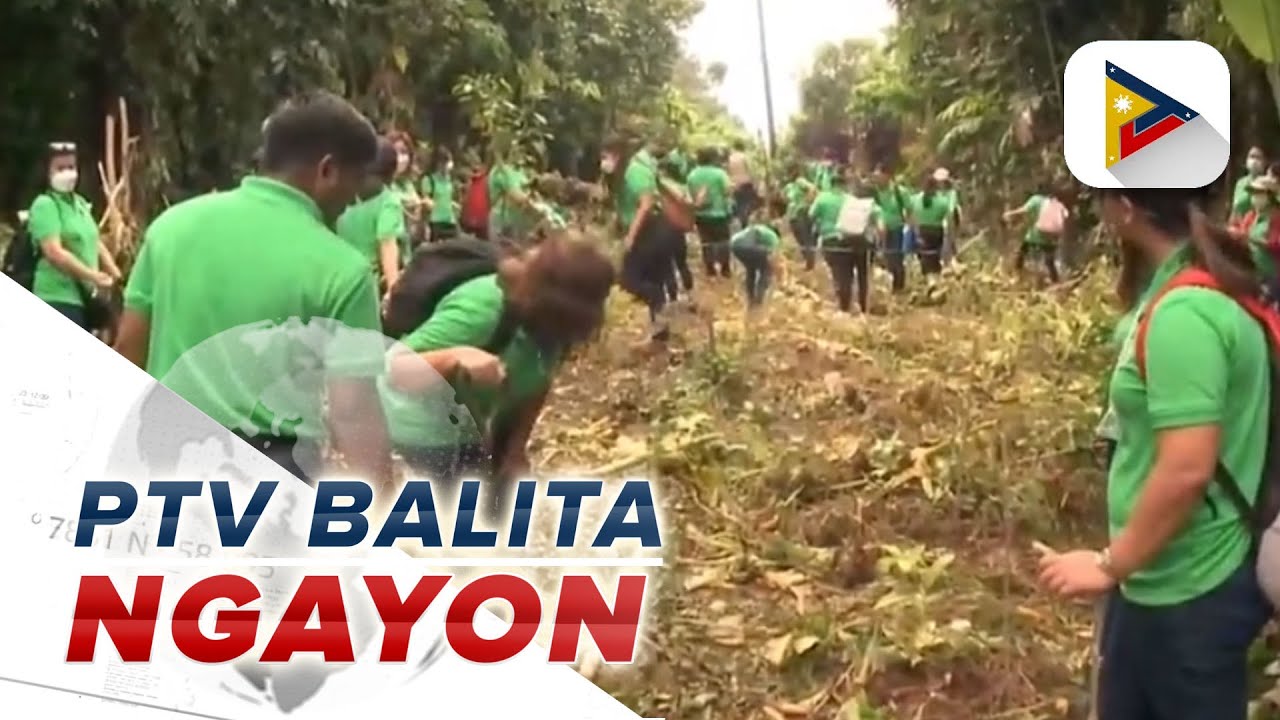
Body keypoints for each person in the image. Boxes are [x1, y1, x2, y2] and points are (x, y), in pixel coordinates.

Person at [1039, 186, 1272, 720]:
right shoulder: (1209, 289)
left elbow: (1187, 468)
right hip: (1159, 573)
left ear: (1125, 209)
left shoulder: (1184, 315)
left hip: (1187, 585)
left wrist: (1107, 564)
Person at [113, 91, 393, 490]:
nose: (354, 202)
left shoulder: (171, 228)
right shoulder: (343, 270)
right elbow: (352, 411)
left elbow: (128, 348)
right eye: (356, 183)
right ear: (327, 171)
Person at [380, 235, 614, 518]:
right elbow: (394, 368)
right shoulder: (484, 310)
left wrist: (516, 448)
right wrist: (454, 358)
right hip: (418, 421)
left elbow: (539, 380)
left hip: (474, 417)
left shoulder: (554, 330)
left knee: (501, 503)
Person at [25, 141, 122, 329]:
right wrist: (92, 276)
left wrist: (116, 275)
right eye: (60, 168)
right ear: (46, 172)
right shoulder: (45, 205)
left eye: (71, 167)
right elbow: (54, 252)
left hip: (83, 298)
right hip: (56, 297)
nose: (68, 173)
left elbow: (96, 241)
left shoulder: (80, 204)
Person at [602, 135, 673, 344]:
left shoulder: (635, 172)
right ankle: (660, 331)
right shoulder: (621, 176)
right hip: (648, 230)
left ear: (618, 155)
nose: (603, 162)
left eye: (606, 156)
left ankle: (664, 311)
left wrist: (631, 237)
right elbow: (626, 207)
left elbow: (646, 204)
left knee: (628, 281)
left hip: (651, 231)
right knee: (652, 280)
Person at [336, 137, 403, 298]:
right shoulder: (387, 202)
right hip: (365, 285)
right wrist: (394, 291)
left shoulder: (339, 196)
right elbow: (387, 244)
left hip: (335, 279)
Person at [812, 173, 879, 314]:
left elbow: (811, 215)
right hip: (851, 239)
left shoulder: (822, 198)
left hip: (830, 239)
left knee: (840, 273)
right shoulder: (851, 200)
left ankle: (844, 304)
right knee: (857, 273)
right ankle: (861, 305)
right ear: (844, 185)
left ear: (831, 183)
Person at [687, 147, 734, 278]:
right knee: (723, 240)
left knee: (706, 241)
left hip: (701, 214)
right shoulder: (719, 173)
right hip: (719, 213)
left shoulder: (692, 175)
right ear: (713, 158)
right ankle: (725, 268)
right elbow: (727, 191)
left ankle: (710, 268)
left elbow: (689, 193)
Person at [1004, 185, 1066, 283]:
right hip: (1050, 238)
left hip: (1035, 235)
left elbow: (1023, 211)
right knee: (1050, 262)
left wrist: (1010, 214)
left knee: (1021, 254)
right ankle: (1056, 283)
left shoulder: (1036, 199)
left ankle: (1017, 277)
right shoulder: (1055, 204)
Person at [730, 205, 786, 309]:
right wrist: (780, 277)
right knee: (767, 269)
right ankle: (758, 300)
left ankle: (751, 299)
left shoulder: (763, 230)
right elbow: (773, 259)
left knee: (751, 268)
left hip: (734, 244)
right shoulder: (773, 238)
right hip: (747, 245)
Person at [1228, 174, 1280, 282]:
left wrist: (1251, 238)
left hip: (1271, 276)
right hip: (1253, 273)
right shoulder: (1251, 216)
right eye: (1253, 194)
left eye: (1258, 193)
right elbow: (1241, 235)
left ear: (1270, 196)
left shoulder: (1276, 218)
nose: (1254, 197)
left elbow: (1276, 244)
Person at [870, 165, 909, 292]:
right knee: (883, 257)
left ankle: (899, 285)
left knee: (896, 256)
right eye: (875, 177)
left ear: (887, 176)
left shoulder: (899, 192)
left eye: (879, 176)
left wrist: (913, 229)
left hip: (896, 228)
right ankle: (888, 285)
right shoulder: (874, 192)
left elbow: (909, 210)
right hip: (879, 230)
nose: (877, 179)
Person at [388, 131, 423, 259]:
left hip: (407, 253)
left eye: (404, 152)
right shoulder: (380, 185)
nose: (400, 158)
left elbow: (415, 228)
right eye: (396, 152)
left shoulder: (408, 185)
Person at [909, 175, 951, 278]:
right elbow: (947, 217)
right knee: (934, 256)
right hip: (936, 231)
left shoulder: (915, 199)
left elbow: (910, 214)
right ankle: (935, 279)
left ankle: (930, 280)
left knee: (925, 256)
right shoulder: (942, 201)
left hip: (922, 230)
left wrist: (914, 229)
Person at [421, 146, 459, 242]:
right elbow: (426, 202)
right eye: (447, 162)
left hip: (450, 221)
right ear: (439, 163)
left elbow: (448, 198)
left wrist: (453, 205)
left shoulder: (449, 180)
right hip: (436, 222)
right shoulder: (429, 180)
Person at [783, 168, 817, 271]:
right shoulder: (789, 186)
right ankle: (807, 259)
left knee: (805, 237)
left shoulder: (800, 181)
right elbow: (785, 198)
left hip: (801, 212)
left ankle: (810, 262)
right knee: (799, 238)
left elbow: (812, 189)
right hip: (793, 214)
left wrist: (807, 201)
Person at [1230, 146, 1267, 222]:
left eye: (1258, 158)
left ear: (1264, 162)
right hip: (1240, 225)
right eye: (1252, 156)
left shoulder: (1267, 183)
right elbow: (1235, 208)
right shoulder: (1241, 183)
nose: (1254, 161)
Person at [727, 140, 757, 228]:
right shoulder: (745, 157)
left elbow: (728, 172)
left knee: (739, 204)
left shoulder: (730, 158)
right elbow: (751, 170)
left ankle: (741, 222)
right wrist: (755, 183)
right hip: (746, 183)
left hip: (735, 184)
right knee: (747, 204)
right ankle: (745, 223)